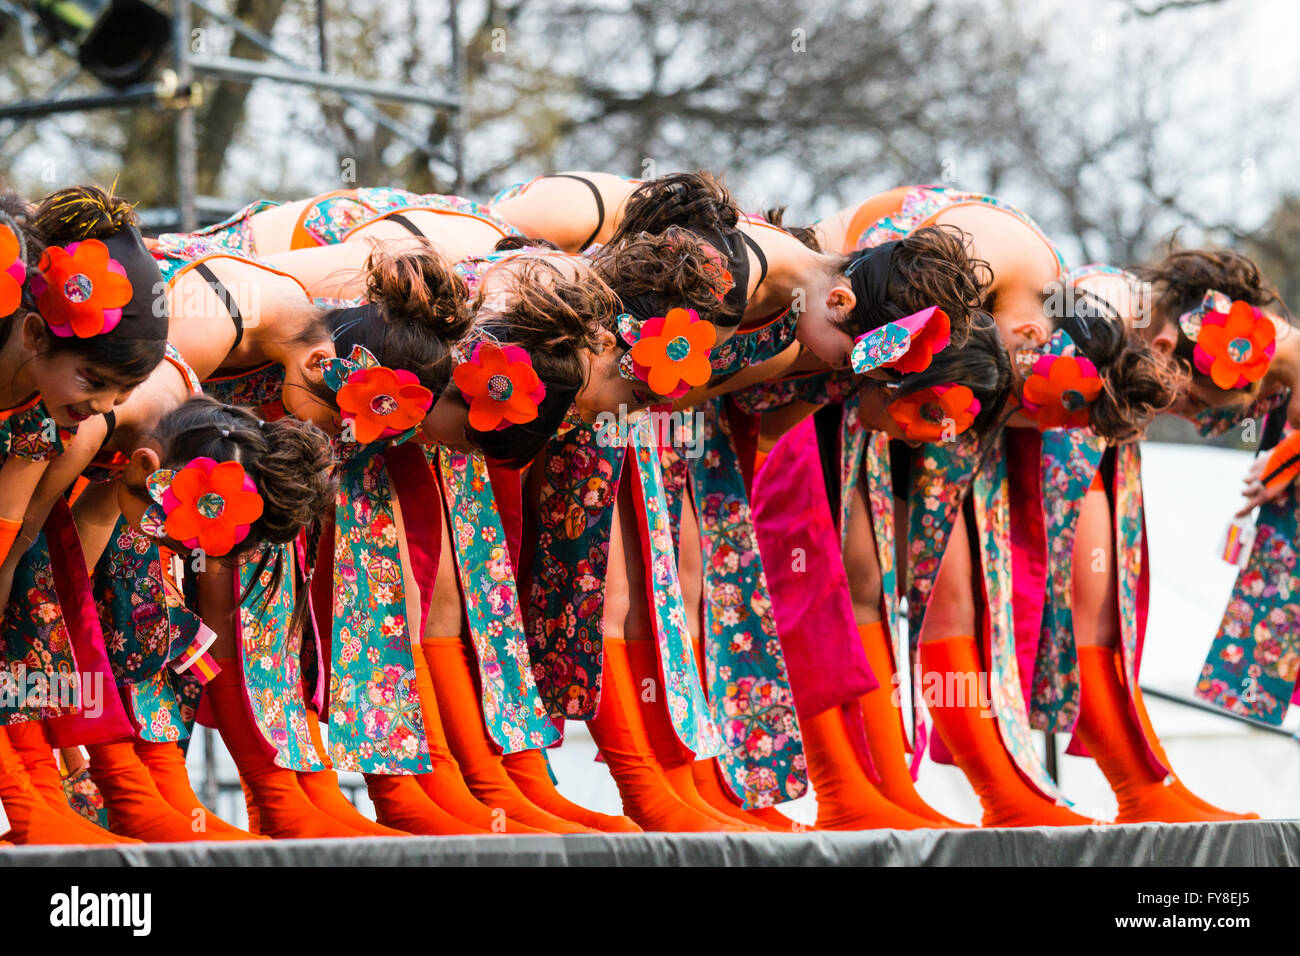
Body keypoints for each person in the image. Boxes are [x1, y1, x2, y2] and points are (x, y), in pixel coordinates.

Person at [0, 185, 169, 845]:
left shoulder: (64, 420)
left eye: (125, 392)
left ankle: (35, 798)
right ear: (36, 334)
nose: (105, 404)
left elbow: (10, 543)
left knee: (31, 598)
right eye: (95, 381)